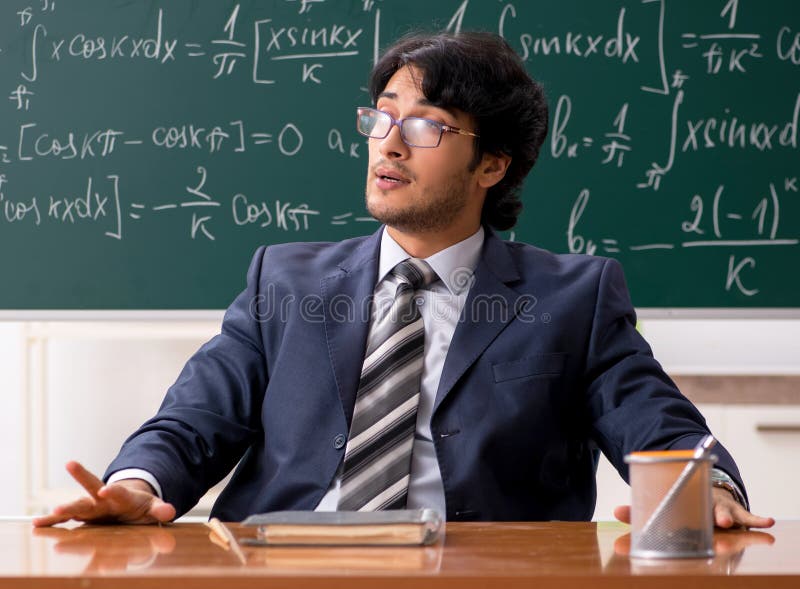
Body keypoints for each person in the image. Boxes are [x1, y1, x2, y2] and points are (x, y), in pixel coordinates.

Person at [34, 31, 773, 529]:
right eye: (381, 117)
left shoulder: (572, 298)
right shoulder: (283, 279)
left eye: (426, 126)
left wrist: (705, 486)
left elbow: (659, 421)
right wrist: (137, 486)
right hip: (282, 568)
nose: (388, 143)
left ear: (493, 165)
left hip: (475, 574)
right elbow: (193, 421)